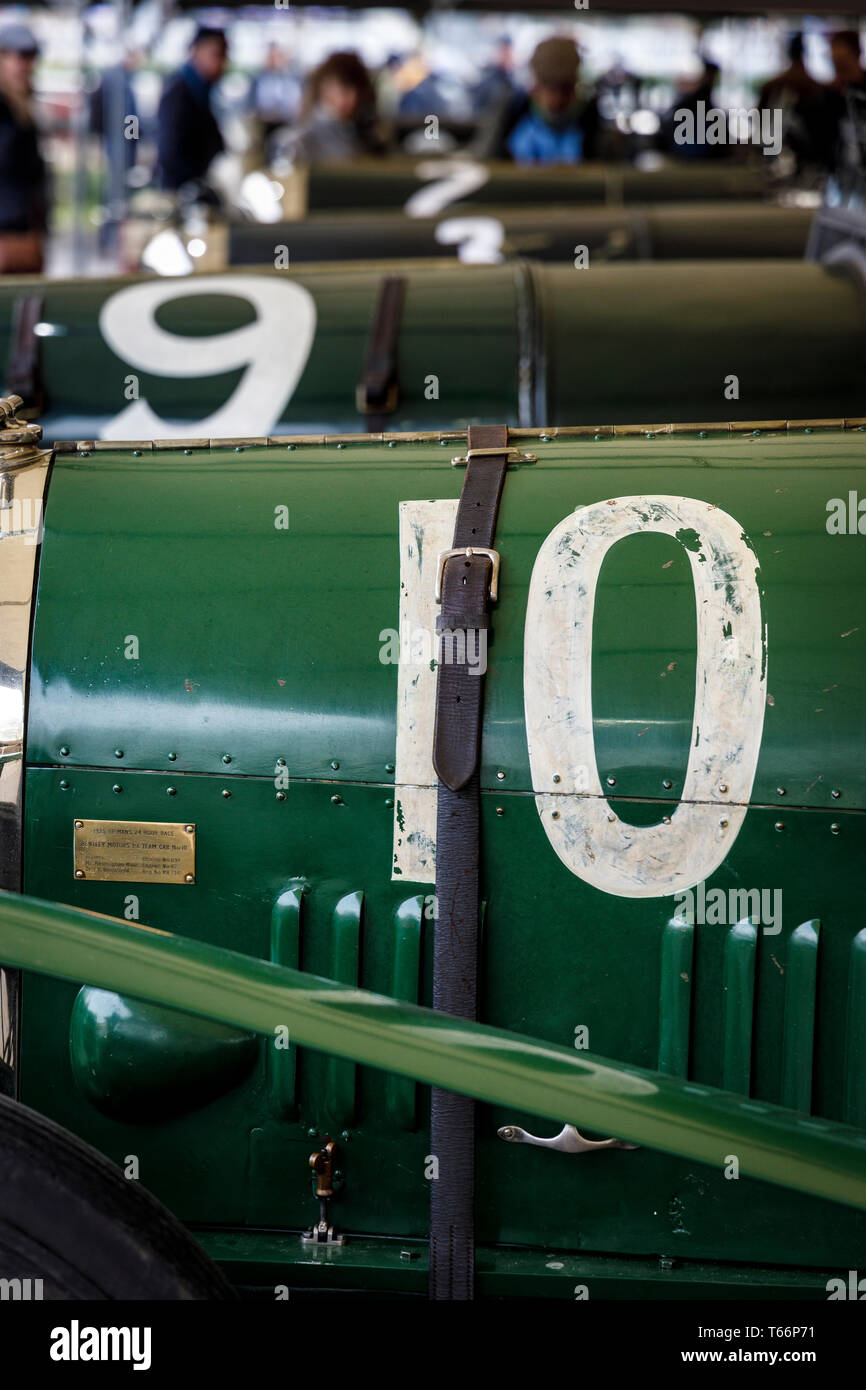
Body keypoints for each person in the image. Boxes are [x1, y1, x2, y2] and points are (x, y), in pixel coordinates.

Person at [475, 37, 599, 164]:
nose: (557, 99)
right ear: (535, 86)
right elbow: (485, 158)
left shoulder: (589, 116)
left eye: (565, 89)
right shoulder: (514, 108)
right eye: (549, 88)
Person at [156, 27, 228, 200]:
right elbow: (169, 151)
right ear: (196, 51)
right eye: (216, 54)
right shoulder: (179, 93)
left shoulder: (200, 91)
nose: (222, 63)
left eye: (224, 56)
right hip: (181, 192)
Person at [275, 52, 385, 164]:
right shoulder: (297, 143)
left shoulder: (364, 139)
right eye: (344, 89)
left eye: (359, 92)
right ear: (324, 87)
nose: (353, 99)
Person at [0, 23, 47, 273]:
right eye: (14, 56)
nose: (22, 65)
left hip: (22, 231)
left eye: (28, 57)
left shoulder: (23, 107)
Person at [758, 33, 836, 172]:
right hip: (810, 161)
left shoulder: (772, 86)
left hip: (785, 157)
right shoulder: (816, 87)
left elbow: (761, 123)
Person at [250, 43, 301, 151]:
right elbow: (252, 104)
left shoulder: (293, 79)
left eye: (277, 56)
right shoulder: (258, 79)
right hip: (264, 126)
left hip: (287, 124)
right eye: (271, 57)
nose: (274, 60)